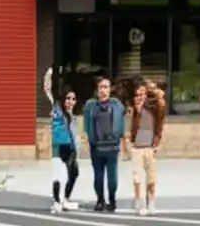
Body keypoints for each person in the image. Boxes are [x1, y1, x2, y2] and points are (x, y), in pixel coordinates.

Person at [82, 77, 125, 212]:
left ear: (110, 89)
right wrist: (87, 138)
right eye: (101, 87)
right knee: (98, 176)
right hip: (96, 147)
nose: (103, 90)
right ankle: (100, 200)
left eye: (106, 87)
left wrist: (123, 142)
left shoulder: (117, 105)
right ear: (97, 89)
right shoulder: (90, 106)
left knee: (112, 178)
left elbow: (122, 125)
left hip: (113, 147)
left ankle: (112, 200)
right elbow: (86, 124)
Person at [42, 68, 79, 213]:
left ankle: (64, 200)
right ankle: (57, 202)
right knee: (58, 176)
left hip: (70, 149)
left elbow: (73, 134)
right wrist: (49, 73)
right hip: (59, 147)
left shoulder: (73, 116)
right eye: (68, 98)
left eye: (73, 99)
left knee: (70, 175)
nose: (70, 101)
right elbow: (47, 89)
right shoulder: (57, 109)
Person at [125, 83, 166, 215]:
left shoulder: (154, 109)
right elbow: (128, 130)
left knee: (151, 179)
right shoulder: (133, 111)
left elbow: (161, 103)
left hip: (150, 148)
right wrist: (128, 146)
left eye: (142, 94)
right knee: (137, 179)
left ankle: (151, 203)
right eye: (137, 95)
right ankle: (139, 202)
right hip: (137, 148)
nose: (139, 97)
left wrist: (156, 143)